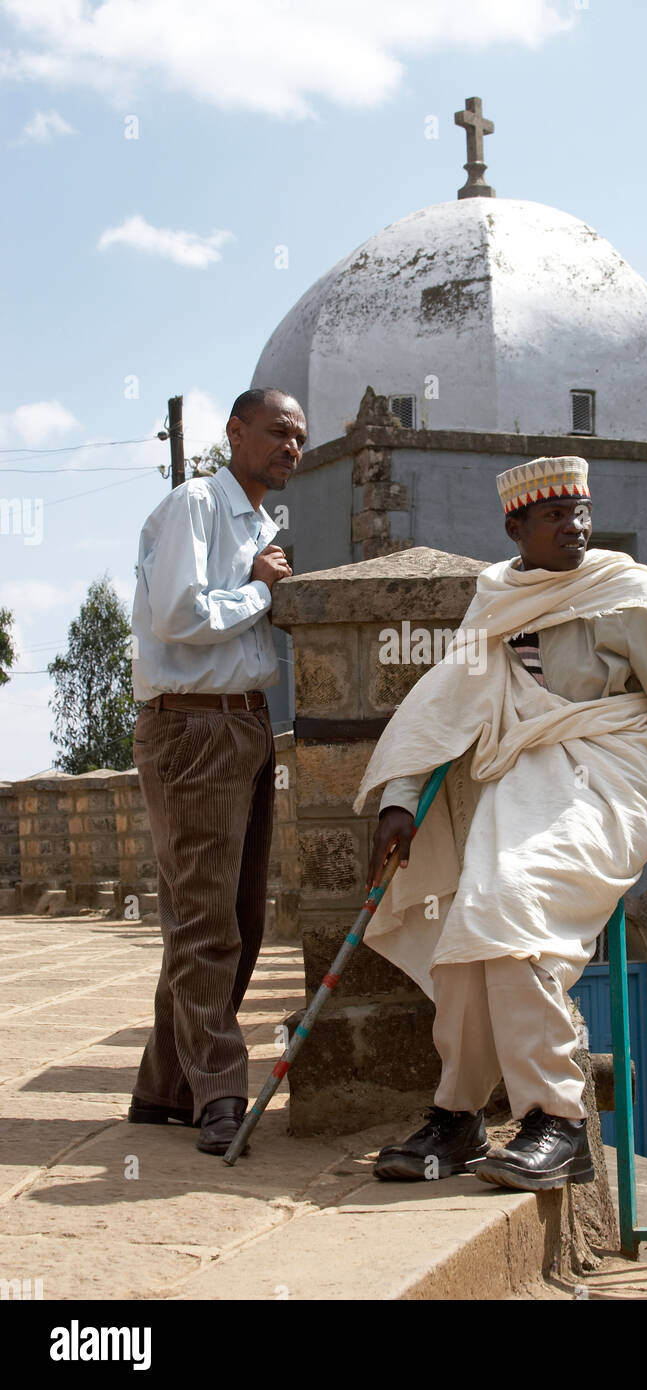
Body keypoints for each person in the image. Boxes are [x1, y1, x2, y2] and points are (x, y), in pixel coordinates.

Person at [356, 456, 647, 1191]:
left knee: (511, 905)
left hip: (614, 780)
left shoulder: (627, 595)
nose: (576, 526)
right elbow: (444, 708)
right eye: (554, 516)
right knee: (468, 931)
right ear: (516, 527)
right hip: (518, 785)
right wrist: (400, 798)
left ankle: (561, 1122)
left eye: (581, 512)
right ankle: (456, 1118)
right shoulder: (496, 599)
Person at [127, 387, 305, 1156]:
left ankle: (162, 1086)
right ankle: (220, 1094)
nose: (289, 447)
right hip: (193, 724)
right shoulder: (196, 506)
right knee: (207, 923)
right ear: (234, 432)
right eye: (275, 433)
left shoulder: (258, 523)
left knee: (238, 915)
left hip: (242, 723)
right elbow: (179, 616)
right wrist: (262, 589)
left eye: (298, 438)